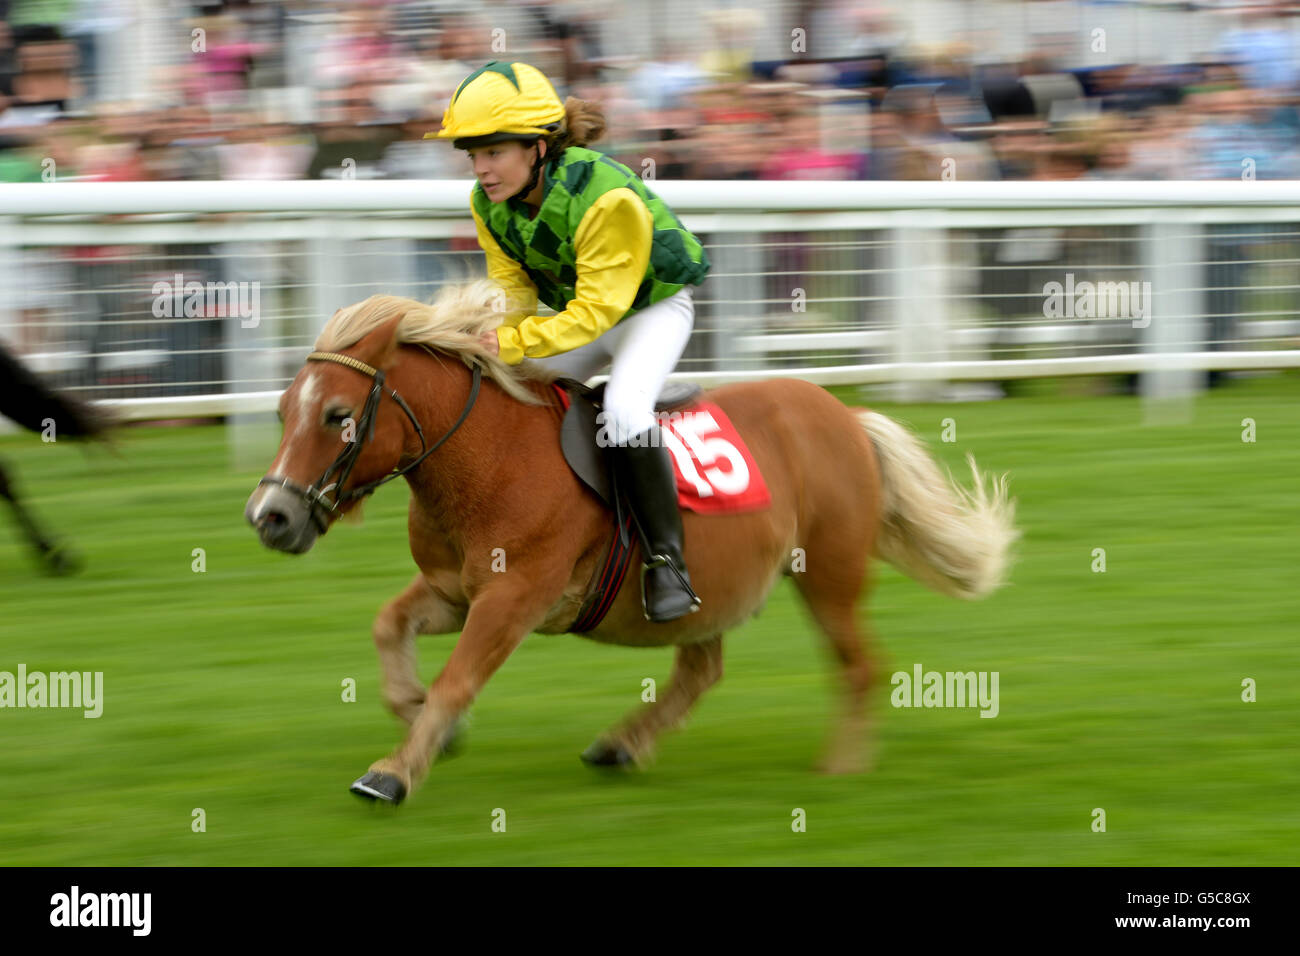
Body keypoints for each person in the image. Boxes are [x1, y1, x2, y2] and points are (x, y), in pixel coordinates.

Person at [428, 60, 711, 622]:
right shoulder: (489, 203)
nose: (481, 170)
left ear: (537, 146)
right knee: (506, 386)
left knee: (626, 413)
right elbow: (513, 289)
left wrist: (511, 344)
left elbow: (595, 312)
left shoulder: (607, 199)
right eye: (473, 155)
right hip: (587, 315)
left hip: (650, 311)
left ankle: (667, 561)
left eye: (494, 152)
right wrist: (496, 338)